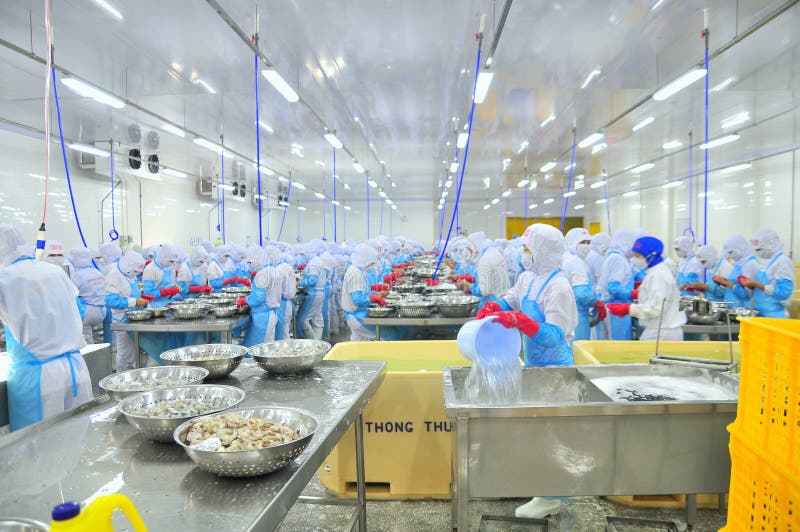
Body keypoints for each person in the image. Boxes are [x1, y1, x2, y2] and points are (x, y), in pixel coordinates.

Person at [476, 224, 577, 520]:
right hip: (534, 363)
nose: (523, 254)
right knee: (536, 430)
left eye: (528, 249)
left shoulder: (560, 287)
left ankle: (551, 497)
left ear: (544, 251)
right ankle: (538, 484)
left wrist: (521, 321)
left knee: (552, 435)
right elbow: (510, 299)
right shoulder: (528, 277)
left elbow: (555, 335)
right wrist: (495, 306)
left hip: (556, 367)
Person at [0, 225, 92, 431]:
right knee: (78, 440)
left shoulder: (5, 279)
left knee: (38, 449)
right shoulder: (55, 271)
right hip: (75, 368)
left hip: (39, 380)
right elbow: (80, 311)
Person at [607, 236, 685, 340]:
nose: (634, 259)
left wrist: (628, 308)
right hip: (660, 328)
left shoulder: (658, 275)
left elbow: (656, 308)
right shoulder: (655, 272)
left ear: (651, 255)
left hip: (662, 331)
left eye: (638, 255)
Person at [105, 251, 149, 370]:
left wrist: (142, 299)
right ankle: (122, 377)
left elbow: (132, 293)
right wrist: (135, 302)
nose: (136, 274)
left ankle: (135, 375)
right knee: (125, 354)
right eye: (135, 272)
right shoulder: (114, 276)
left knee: (135, 352)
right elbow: (111, 301)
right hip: (121, 320)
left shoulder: (130, 274)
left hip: (133, 318)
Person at [739, 229, 795, 318]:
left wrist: (756, 284)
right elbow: (765, 286)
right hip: (761, 313)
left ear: (770, 245)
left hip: (775, 316)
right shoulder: (767, 262)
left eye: (759, 249)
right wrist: (751, 285)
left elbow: (784, 293)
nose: (758, 253)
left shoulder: (782, 261)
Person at [563, 228, 605, 342]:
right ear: (572, 242)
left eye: (588, 242)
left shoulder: (565, 258)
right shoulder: (576, 262)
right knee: (577, 353)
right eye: (582, 242)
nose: (586, 246)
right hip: (576, 316)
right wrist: (597, 304)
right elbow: (582, 294)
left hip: (563, 314)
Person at [600, 229, 637, 340]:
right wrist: (633, 294)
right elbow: (613, 287)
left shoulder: (613, 257)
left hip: (613, 308)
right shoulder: (618, 260)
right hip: (617, 309)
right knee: (619, 347)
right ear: (626, 243)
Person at [240, 247, 281, 346]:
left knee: (259, 349)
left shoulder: (262, 274)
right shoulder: (273, 270)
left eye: (250, 262)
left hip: (263, 317)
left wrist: (245, 299)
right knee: (267, 347)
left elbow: (258, 298)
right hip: (271, 313)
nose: (249, 265)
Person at [341, 244, 381, 341]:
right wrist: (373, 298)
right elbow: (357, 299)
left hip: (354, 314)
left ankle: (357, 356)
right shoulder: (355, 273)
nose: (371, 267)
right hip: (357, 316)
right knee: (382, 336)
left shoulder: (356, 270)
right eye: (370, 264)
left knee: (357, 342)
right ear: (364, 260)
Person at [69, 247, 108, 344]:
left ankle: (91, 358)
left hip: (88, 312)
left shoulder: (78, 275)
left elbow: (71, 293)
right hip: (102, 311)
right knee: (99, 338)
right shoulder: (98, 272)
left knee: (87, 340)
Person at [711, 235, 760, 308]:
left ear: (740, 248)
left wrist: (725, 282)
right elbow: (735, 284)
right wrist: (722, 282)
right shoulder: (738, 264)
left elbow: (746, 294)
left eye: (731, 252)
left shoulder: (750, 264)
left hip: (741, 307)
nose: (730, 256)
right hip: (732, 306)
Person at [296, 255, 326, 339]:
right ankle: (318, 342)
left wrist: (299, 283)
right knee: (317, 318)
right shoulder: (317, 260)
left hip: (314, 293)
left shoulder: (313, 264)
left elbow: (312, 281)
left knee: (303, 320)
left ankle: (312, 342)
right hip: (320, 292)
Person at [275, 251, 297, 340]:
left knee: (282, 335)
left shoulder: (279, 269)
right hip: (287, 303)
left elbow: (276, 288)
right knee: (285, 331)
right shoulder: (289, 268)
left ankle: (285, 353)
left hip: (281, 305)